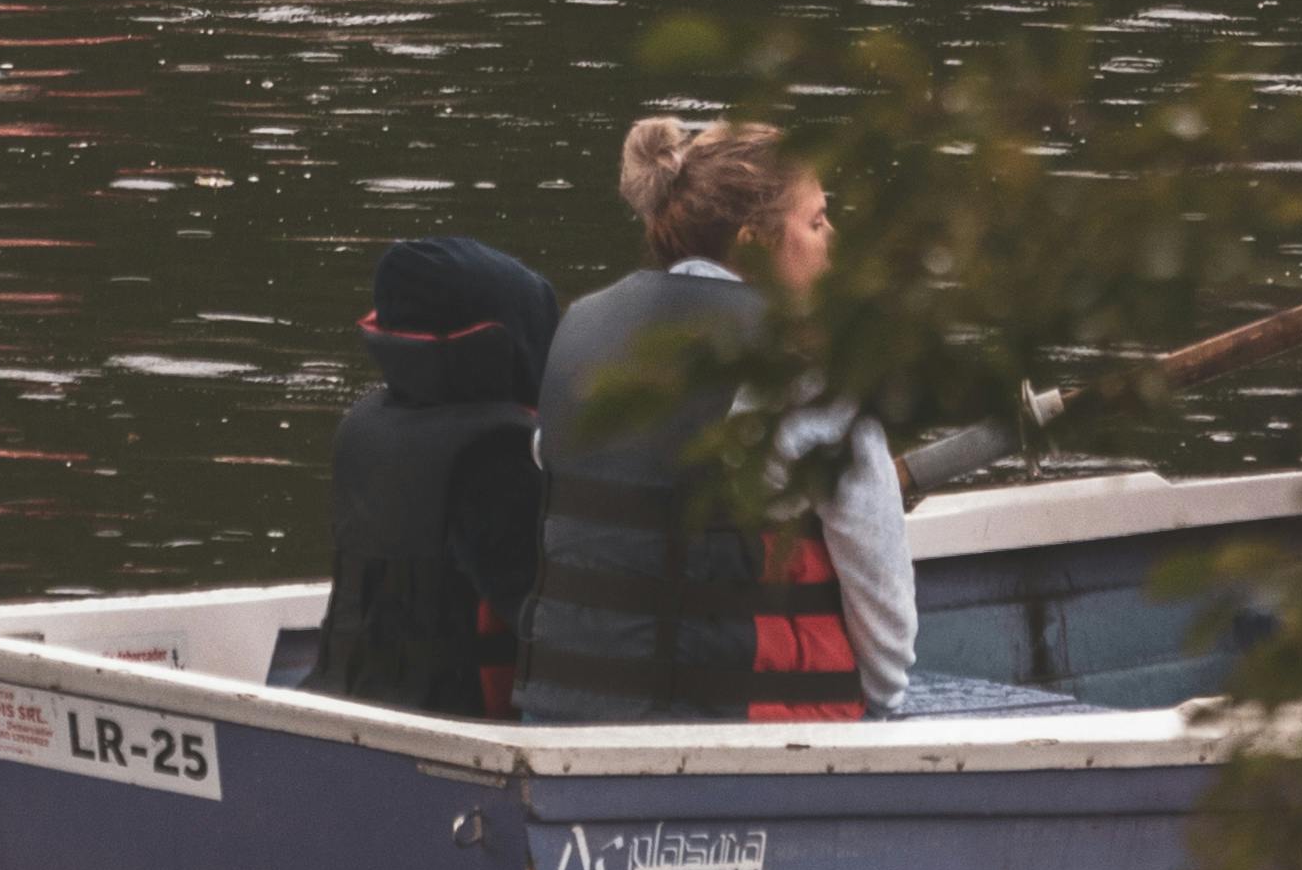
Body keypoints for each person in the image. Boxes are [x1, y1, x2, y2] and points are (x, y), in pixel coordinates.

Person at [519, 120, 916, 724]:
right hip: (738, 732)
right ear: (755, 241)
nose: (833, 240)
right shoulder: (805, 367)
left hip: (563, 712)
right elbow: (881, 601)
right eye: (816, 222)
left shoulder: (580, 334)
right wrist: (882, 704)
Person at [309, 235, 560, 720]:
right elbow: (548, 623)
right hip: (462, 721)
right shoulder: (498, 453)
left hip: (345, 700)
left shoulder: (361, 427)